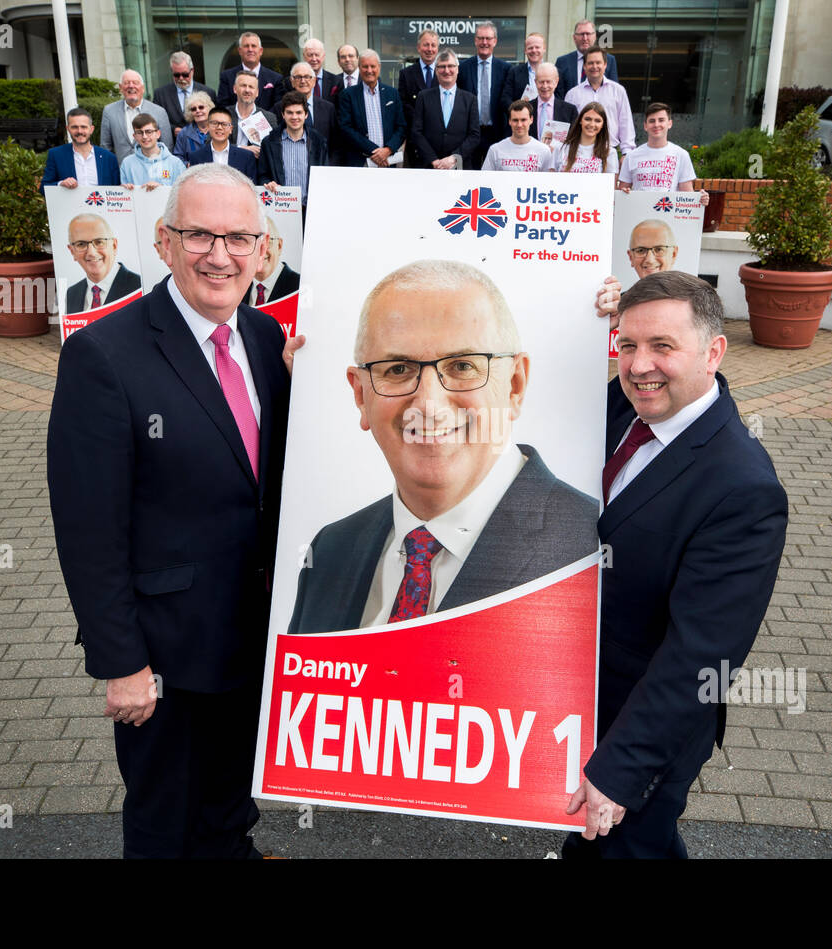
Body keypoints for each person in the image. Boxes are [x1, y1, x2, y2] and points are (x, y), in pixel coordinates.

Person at [49, 163, 295, 859]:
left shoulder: (270, 343)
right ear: (163, 241)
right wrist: (121, 662)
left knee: (228, 809)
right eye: (199, 236)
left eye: (239, 238)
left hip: (252, 642)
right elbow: (89, 532)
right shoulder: (103, 355)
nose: (220, 256)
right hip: (166, 661)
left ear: (262, 247)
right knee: (164, 825)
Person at [563, 270, 787, 858]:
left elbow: (701, 651)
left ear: (713, 352)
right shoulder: (620, 404)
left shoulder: (742, 487)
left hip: (644, 720)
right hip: (568, 692)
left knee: (630, 849)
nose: (639, 366)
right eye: (628, 345)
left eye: (663, 346)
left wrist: (620, 768)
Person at [286, 259, 598, 635]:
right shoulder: (331, 549)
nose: (429, 405)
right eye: (397, 369)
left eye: (463, 366)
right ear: (359, 394)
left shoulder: (594, 545)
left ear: (515, 385)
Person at [619, 102, 709, 206]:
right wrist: (624, 193)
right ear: (645, 126)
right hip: (639, 214)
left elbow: (687, 194)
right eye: (652, 121)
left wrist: (700, 199)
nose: (656, 125)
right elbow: (622, 192)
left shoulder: (681, 155)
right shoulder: (631, 156)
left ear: (669, 123)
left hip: (669, 216)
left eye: (661, 120)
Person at [409, 50, 480, 170]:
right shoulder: (423, 97)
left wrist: (454, 158)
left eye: (451, 66)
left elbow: (474, 135)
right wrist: (434, 160)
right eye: (442, 66)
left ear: (457, 69)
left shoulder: (470, 99)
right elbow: (417, 132)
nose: (447, 71)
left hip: (460, 167)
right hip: (430, 167)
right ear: (436, 71)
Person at [336, 49, 405, 169]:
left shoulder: (392, 93)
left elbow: (401, 127)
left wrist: (388, 150)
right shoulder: (348, 95)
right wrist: (375, 151)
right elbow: (345, 128)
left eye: (373, 66)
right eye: (365, 67)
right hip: (360, 162)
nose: (369, 71)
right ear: (359, 68)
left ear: (379, 67)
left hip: (388, 161)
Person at [259, 91, 329, 206]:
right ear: (283, 114)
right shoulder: (269, 142)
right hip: (281, 207)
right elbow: (262, 175)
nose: (294, 117)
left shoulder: (319, 142)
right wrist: (268, 183)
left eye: (299, 112)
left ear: (306, 114)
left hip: (310, 208)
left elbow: (324, 176)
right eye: (290, 113)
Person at [63, 213, 140, 314]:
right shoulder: (71, 294)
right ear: (72, 251)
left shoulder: (139, 287)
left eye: (99, 242)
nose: (91, 253)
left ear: (114, 246)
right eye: (81, 244)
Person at [456, 21, 510, 168]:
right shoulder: (463, 67)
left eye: (488, 38)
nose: (484, 42)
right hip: (470, 132)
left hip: (496, 133)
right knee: (470, 175)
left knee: (493, 177)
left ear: (495, 41)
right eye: (480, 38)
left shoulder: (506, 69)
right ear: (475, 41)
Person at [564, 47, 635, 154]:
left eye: (598, 63)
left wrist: (626, 152)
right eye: (590, 63)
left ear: (605, 65)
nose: (594, 66)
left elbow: (625, 122)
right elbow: (567, 128)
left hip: (610, 150)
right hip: (579, 152)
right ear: (584, 66)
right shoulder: (572, 94)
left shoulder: (618, 91)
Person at [101, 70, 174, 163]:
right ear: (120, 88)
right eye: (126, 83)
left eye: (135, 83)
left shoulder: (159, 112)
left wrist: (164, 173)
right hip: (121, 172)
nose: (131, 86)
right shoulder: (109, 111)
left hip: (153, 171)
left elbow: (167, 146)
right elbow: (105, 146)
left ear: (143, 88)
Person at [40, 108, 118, 192]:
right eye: (74, 127)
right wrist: (61, 184)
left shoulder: (109, 158)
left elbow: (117, 190)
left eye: (83, 127)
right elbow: (43, 188)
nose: (79, 131)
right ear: (68, 129)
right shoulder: (56, 155)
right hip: (70, 205)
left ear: (91, 129)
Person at [152, 52, 216, 139]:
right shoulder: (160, 94)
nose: (181, 78)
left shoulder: (208, 92)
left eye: (185, 75)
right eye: (176, 75)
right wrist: (173, 129)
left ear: (192, 71)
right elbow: (156, 121)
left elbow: (214, 119)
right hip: (173, 146)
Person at [216, 32, 282, 112]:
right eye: (246, 46)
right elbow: (223, 106)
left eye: (253, 46)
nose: (250, 49)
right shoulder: (227, 77)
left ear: (261, 51)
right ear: (240, 51)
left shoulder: (275, 78)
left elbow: (278, 107)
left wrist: (259, 121)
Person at [187, 107, 258, 179]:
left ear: (231, 129)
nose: (219, 127)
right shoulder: (196, 157)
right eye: (215, 123)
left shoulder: (246, 157)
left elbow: (251, 187)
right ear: (208, 127)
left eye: (224, 124)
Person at [120, 113, 186, 190]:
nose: (144, 136)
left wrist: (161, 189)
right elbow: (125, 198)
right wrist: (125, 190)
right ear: (134, 136)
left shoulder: (176, 163)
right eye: (139, 132)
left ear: (158, 134)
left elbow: (183, 194)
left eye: (148, 132)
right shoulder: (127, 163)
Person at [482, 100, 553, 172]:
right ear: (509, 121)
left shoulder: (544, 151)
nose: (519, 125)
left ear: (531, 119)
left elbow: (549, 181)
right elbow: (486, 180)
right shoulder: (495, 150)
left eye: (523, 120)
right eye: (515, 120)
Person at [245, 216, 299, 307]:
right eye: (252, 243)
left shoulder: (300, 287)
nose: (260, 251)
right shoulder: (238, 287)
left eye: (267, 243)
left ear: (279, 245)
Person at [553, 102, 619, 175]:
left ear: (602, 125)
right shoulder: (560, 148)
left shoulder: (609, 153)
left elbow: (611, 185)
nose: (592, 124)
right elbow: (550, 181)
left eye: (597, 121)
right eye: (588, 119)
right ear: (580, 120)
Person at [555, 20, 618, 94]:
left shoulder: (609, 60)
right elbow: (558, 94)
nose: (585, 38)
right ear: (574, 38)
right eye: (581, 34)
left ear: (594, 36)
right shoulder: (562, 62)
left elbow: (613, 91)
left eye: (588, 34)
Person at [397, 29, 439, 137]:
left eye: (433, 45)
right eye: (426, 45)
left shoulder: (445, 72)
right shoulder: (406, 74)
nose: (430, 49)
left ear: (437, 49)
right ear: (418, 47)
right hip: (415, 135)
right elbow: (403, 104)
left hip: (440, 136)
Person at [226, 73, 278, 160]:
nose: (247, 90)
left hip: (256, 169)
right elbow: (212, 143)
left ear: (257, 92)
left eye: (251, 87)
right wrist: (241, 149)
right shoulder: (223, 114)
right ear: (235, 89)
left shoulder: (268, 118)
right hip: (229, 167)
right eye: (243, 86)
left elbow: (275, 148)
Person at [284, 63, 336, 147]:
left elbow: (336, 143)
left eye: (307, 77)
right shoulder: (280, 107)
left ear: (314, 81)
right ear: (292, 81)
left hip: (323, 159)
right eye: (298, 77)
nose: (303, 81)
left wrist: (328, 160)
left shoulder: (328, 108)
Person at [526, 63, 576, 147]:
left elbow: (574, 139)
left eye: (548, 82)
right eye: (541, 82)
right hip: (531, 157)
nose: (545, 86)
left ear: (556, 82)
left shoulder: (570, 111)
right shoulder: (526, 109)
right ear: (535, 82)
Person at [499, 31, 547, 117]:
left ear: (544, 49)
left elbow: (559, 100)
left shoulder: (553, 72)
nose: (534, 50)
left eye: (537, 47)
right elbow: (505, 99)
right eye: (530, 48)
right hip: (521, 123)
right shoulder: (514, 72)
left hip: (545, 121)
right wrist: (518, 113)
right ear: (525, 50)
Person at [171, 91, 215, 161]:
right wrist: (187, 164)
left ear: (209, 108)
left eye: (201, 107)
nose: (197, 111)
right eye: (193, 109)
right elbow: (178, 158)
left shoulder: (218, 129)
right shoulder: (183, 133)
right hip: (193, 171)